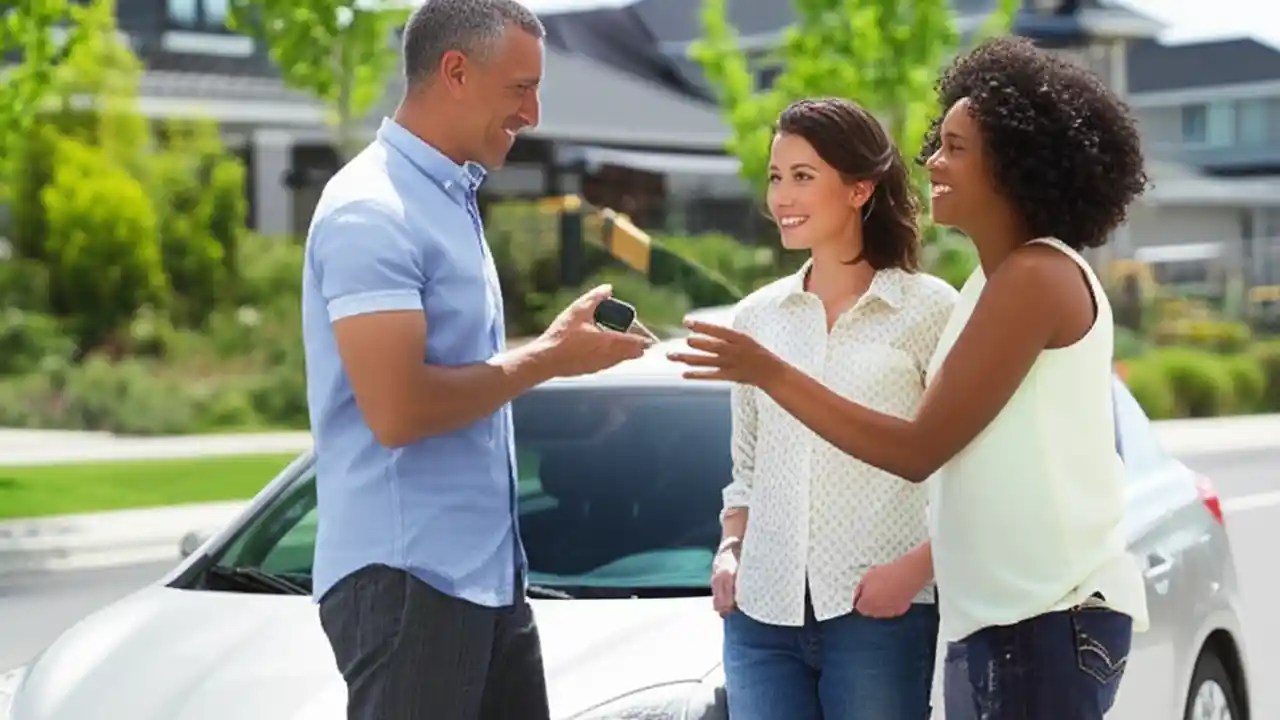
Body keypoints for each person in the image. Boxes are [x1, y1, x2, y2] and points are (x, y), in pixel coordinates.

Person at [671, 36, 1151, 719]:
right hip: (1002, 618)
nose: (931, 160)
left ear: (1014, 164)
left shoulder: (1033, 279)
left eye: (956, 147)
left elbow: (919, 449)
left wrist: (771, 372)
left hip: (1043, 618)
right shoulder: (996, 281)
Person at [299, 1, 651, 718]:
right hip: (411, 583)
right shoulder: (372, 210)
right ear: (455, 71)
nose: (533, 112)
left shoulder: (445, 201)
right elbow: (398, 411)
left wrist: (552, 352)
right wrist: (549, 358)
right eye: (520, 87)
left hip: (483, 582)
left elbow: (462, 378)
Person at [711, 97, 958, 720]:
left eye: (802, 177)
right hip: (761, 615)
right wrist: (729, 549)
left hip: (879, 614)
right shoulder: (757, 317)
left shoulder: (930, 310)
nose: (782, 197)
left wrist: (916, 572)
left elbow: (966, 469)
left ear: (858, 189)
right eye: (775, 177)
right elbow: (747, 468)